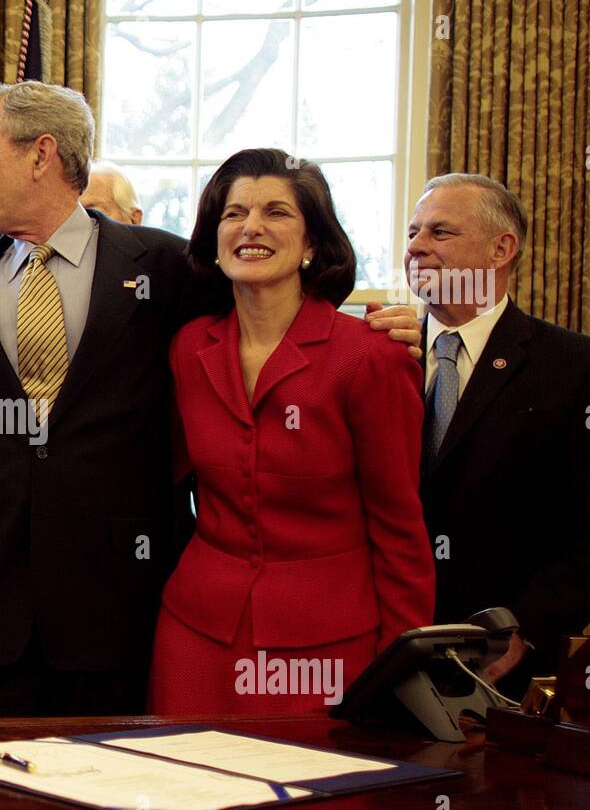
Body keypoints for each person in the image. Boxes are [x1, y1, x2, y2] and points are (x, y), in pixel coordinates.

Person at [0, 82, 424, 718]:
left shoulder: (170, 269)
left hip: (123, 617)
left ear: (41, 154)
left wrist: (390, 327)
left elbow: (274, 317)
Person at [149, 148, 436, 716]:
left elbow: (400, 531)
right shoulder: (189, 349)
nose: (251, 226)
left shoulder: (371, 358)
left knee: (314, 802)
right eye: (234, 213)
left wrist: (402, 671)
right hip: (194, 637)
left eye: (276, 212)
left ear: (311, 244)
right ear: (214, 237)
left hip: (327, 648)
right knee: (182, 791)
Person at [409, 173, 590, 697]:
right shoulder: (376, 354)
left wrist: (523, 635)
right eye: (413, 232)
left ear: (501, 248)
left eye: (440, 232)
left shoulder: (578, 366)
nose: (418, 247)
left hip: (501, 671)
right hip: (376, 648)